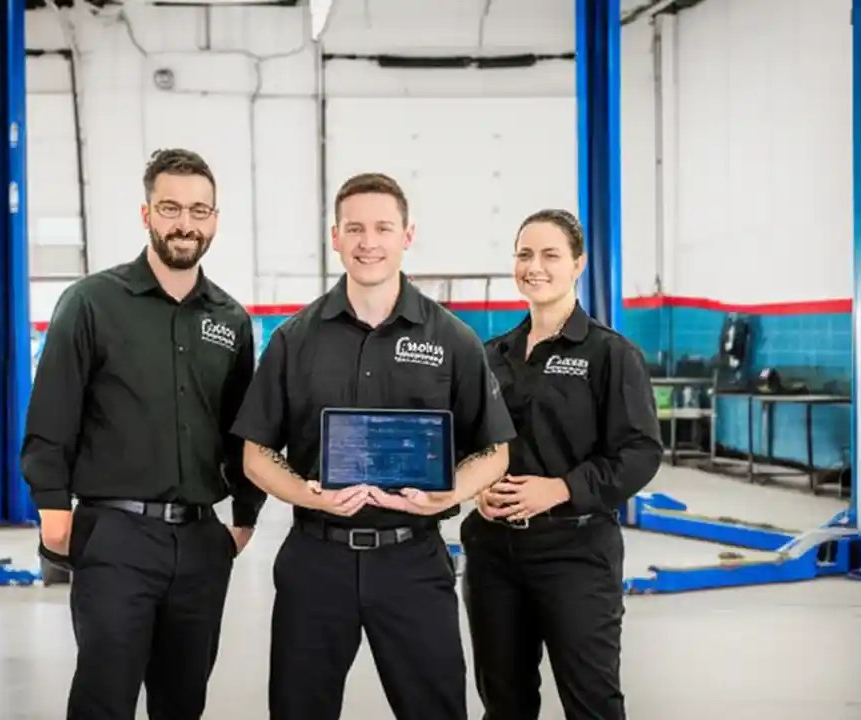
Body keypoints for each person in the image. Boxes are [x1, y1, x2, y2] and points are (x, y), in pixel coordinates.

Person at [231, 172, 515, 720]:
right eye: (354, 228)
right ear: (334, 236)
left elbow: (494, 451)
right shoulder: (295, 339)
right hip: (316, 559)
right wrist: (309, 496)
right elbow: (255, 453)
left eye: (383, 227)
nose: (369, 241)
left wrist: (446, 493)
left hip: (413, 559)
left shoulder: (451, 339)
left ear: (407, 235)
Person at [20, 148, 265, 720]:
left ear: (215, 219)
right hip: (115, 535)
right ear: (146, 214)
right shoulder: (91, 303)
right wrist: (52, 508)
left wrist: (245, 516)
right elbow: (53, 410)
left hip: (203, 542)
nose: (186, 223)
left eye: (200, 211)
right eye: (171, 208)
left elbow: (241, 428)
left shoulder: (230, 319)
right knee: (104, 697)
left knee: (183, 702)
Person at [459, 208, 663, 720]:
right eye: (525, 254)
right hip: (492, 552)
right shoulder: (490, 355)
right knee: (504, 702)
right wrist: (476, 486)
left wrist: (560, 489)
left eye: (550, 254)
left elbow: (639, 453)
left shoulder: (610, 355)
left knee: (591, 701)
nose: (535, 266)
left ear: (577, 264)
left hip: (575, 551)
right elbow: (467, 441)